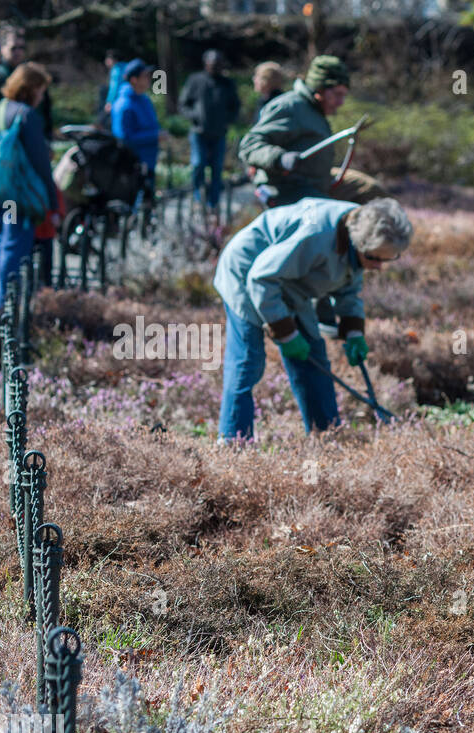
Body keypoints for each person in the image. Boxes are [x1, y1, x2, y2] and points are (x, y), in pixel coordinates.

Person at [212, 196, 412, 441]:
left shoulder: (362, 231)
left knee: (313, 355)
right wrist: (286, 333)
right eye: (375, 258)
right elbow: (260, 279)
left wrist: (354, 333)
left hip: (289, 284)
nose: (379, 267)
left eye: (388, 259)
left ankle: (326, 437)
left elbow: (348, 286)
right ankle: (233, 443)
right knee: (248, 361)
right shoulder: (316, 235)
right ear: (359, 244)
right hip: (247, 273)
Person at [238, 54, 381, 208]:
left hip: (318, 182)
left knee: (370, 190)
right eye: (337, 94)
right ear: (319, 88)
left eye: (344, 95)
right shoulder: (291, 107)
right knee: (343, 214)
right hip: (290, 190)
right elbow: (249, 145)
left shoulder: (315, 110)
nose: (341, 102)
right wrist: (280, 158)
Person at [0, 62, 55, 309]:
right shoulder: (26, 115)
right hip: (16, 196)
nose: (42, 96)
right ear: (31, 88)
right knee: (13, 243)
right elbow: (39, 161)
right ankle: (5, 305)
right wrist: (52, 201)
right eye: (41, 90)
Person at [179, 49, 240, 215]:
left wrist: (227, 120)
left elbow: (235, 107)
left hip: (219, 133)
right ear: (205, 64)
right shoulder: (195, 80)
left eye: (218, 65)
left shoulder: (227, 83)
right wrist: (195, 117)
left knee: (217, 168)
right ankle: (197, 197)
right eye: (212, 65)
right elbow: (184, 104)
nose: (215, 68)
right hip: (199, 132)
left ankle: (213, 202)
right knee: (198, 163)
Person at [110, 58, 162, 200]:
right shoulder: (124, 104)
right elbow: (124, 139)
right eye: (145, 76)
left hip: (148, 161)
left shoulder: (144, 99)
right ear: (134, 79)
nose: (149, 79)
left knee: (148, 204)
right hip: (133, 165)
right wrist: (155, 136)